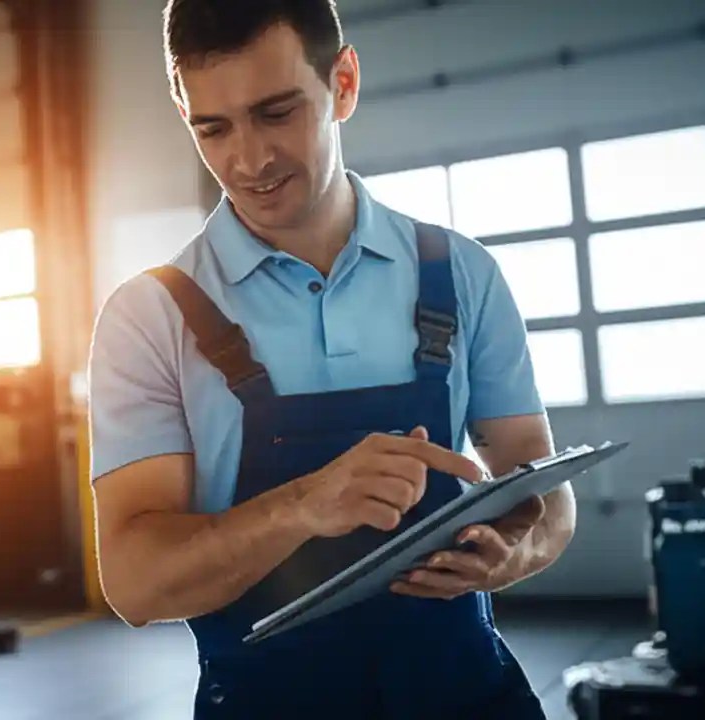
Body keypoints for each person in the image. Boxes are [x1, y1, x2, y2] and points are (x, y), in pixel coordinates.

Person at [88, 0, 575, 717]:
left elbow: (543, 490)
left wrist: (514, 551)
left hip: (467, 694)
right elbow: (134, 583)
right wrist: (305, 505)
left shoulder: (463, 276)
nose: (248, 160)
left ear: (342, 83)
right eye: (212, 128)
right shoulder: (149, 317)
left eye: (277, 113)